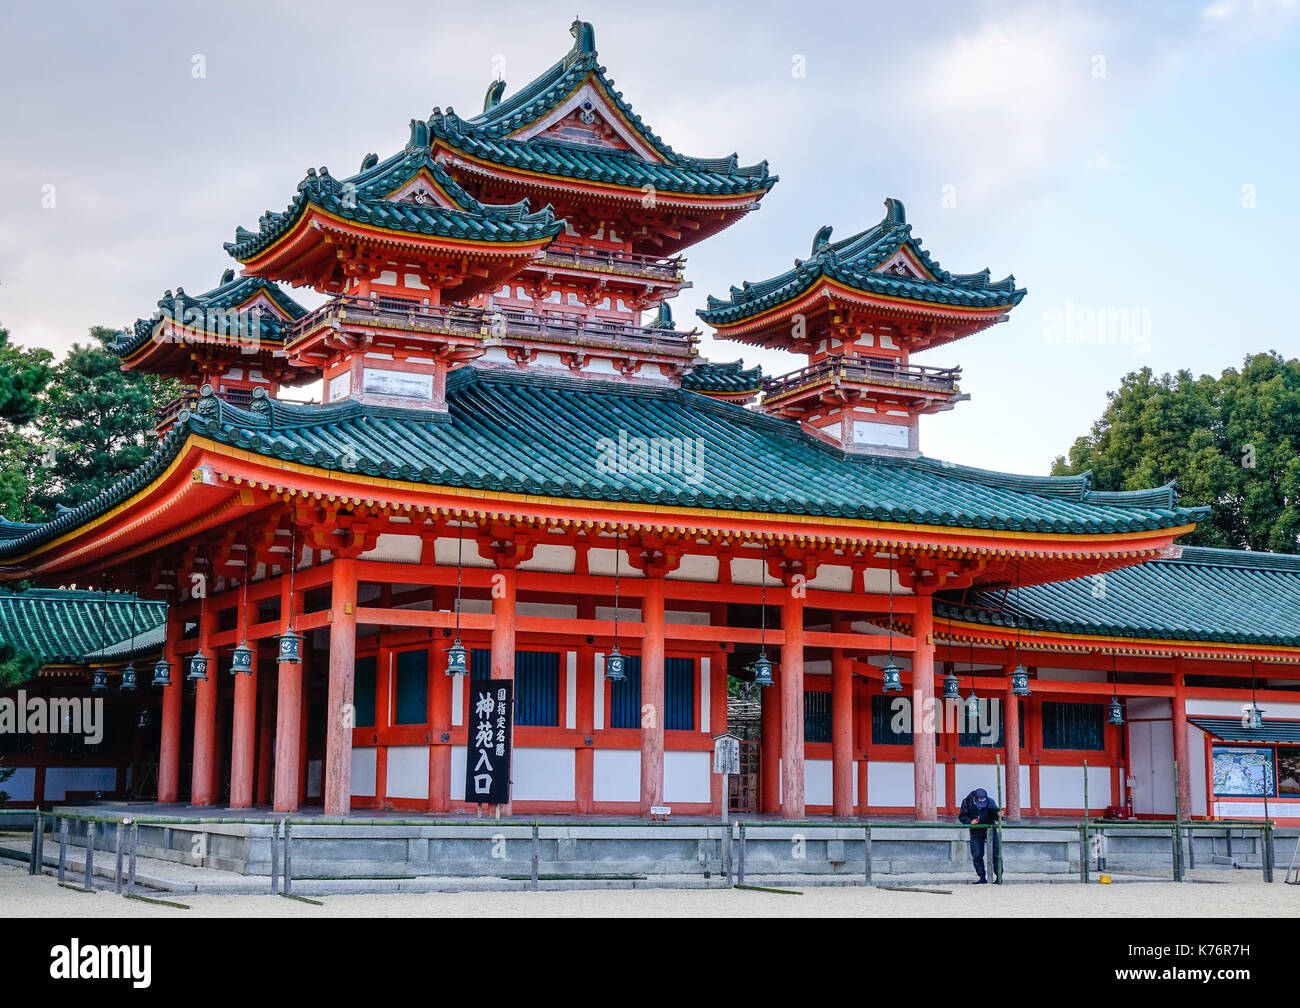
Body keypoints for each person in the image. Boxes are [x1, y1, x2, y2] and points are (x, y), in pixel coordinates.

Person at [958, 787, 1001, 883]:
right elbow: (962, 816)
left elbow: (995, 815)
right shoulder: (967, 802)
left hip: (990, 827)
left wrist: (999, 815)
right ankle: (982, 877)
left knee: (996, 852)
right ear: (974, 798)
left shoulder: (990, 802)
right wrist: (970, 821)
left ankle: (999, 876)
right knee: (977, 854)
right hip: (976, 830)